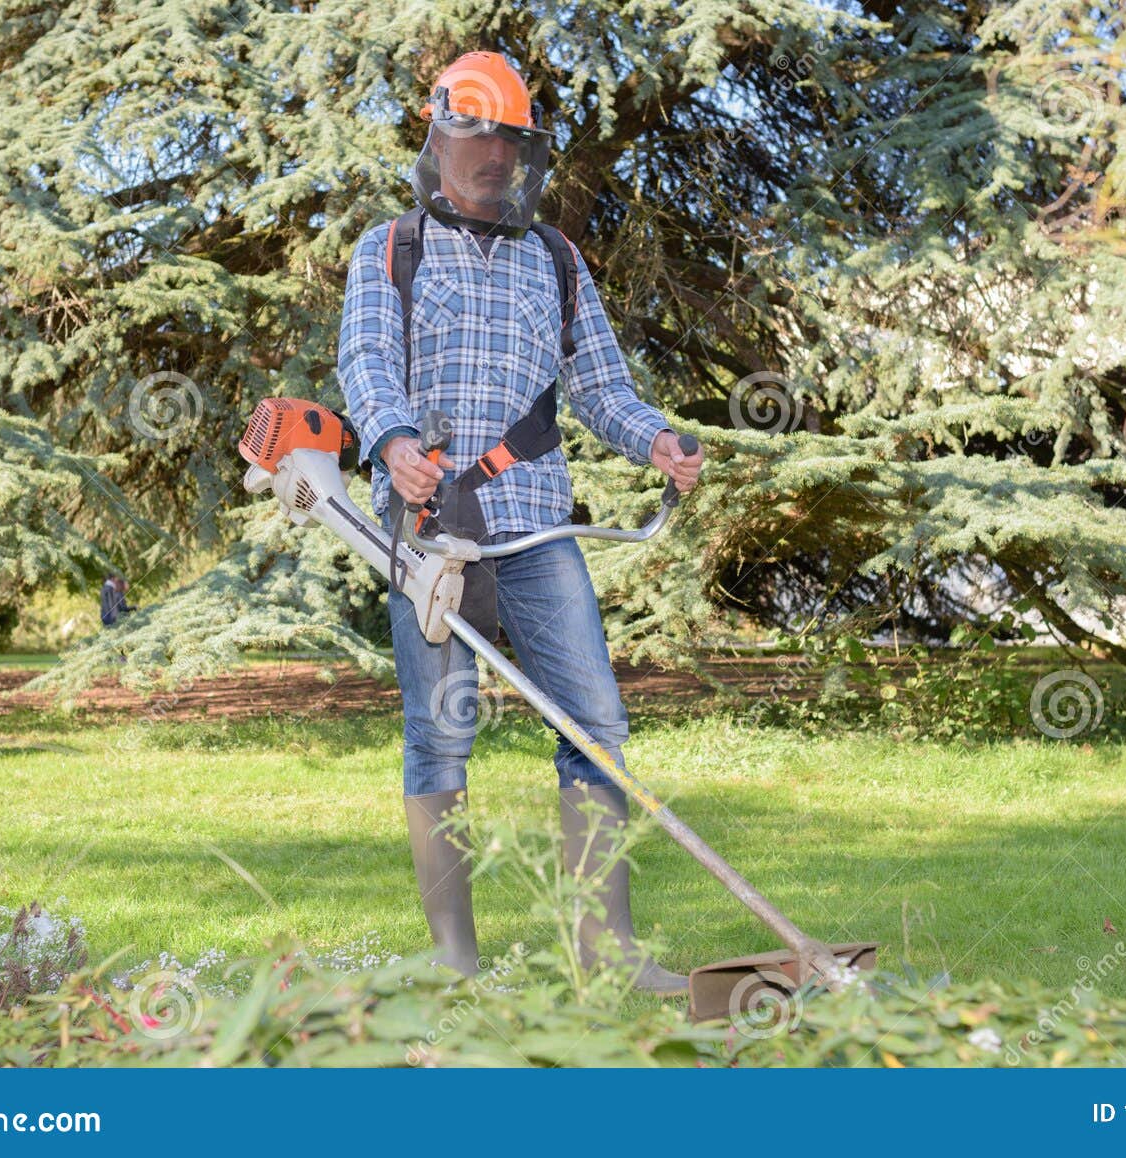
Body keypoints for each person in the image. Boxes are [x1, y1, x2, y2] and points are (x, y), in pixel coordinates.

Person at [337, 51, 703, 993]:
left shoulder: (558, 259)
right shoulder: (390, 249)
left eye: (510, 138)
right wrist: (391, 439)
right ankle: (455, 962)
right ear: (440, 137)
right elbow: (368, 362)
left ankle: (608, 955)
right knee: (440, 735)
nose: (493, 153)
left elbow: (600, 385)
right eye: (477, 133)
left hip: (539, 528)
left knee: (593, 725)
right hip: (431, 534)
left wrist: (657, 441)